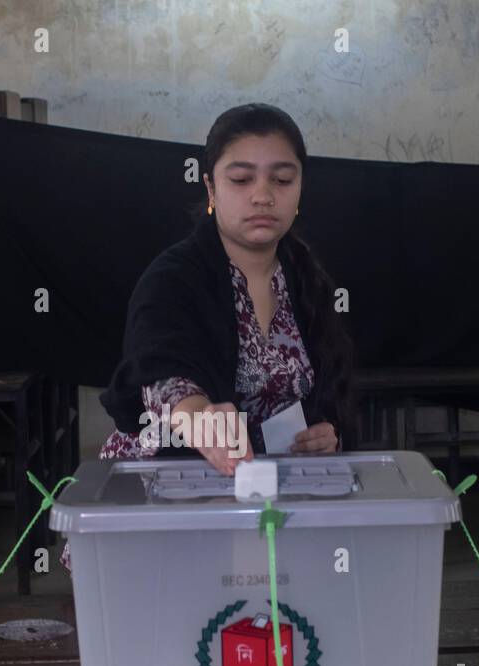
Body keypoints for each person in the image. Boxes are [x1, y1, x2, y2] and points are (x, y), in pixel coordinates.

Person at [61, 103, 356, 571]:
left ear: (300, 190)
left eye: (282, 179)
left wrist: (326, 438)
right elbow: (158, 364)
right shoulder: (175, 277)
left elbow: (326, 387)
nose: (263, 195)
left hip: (261, 500)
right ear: (211, 187)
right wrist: (195, 414)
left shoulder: (307, 281)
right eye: (241, 179)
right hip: (162, 495)